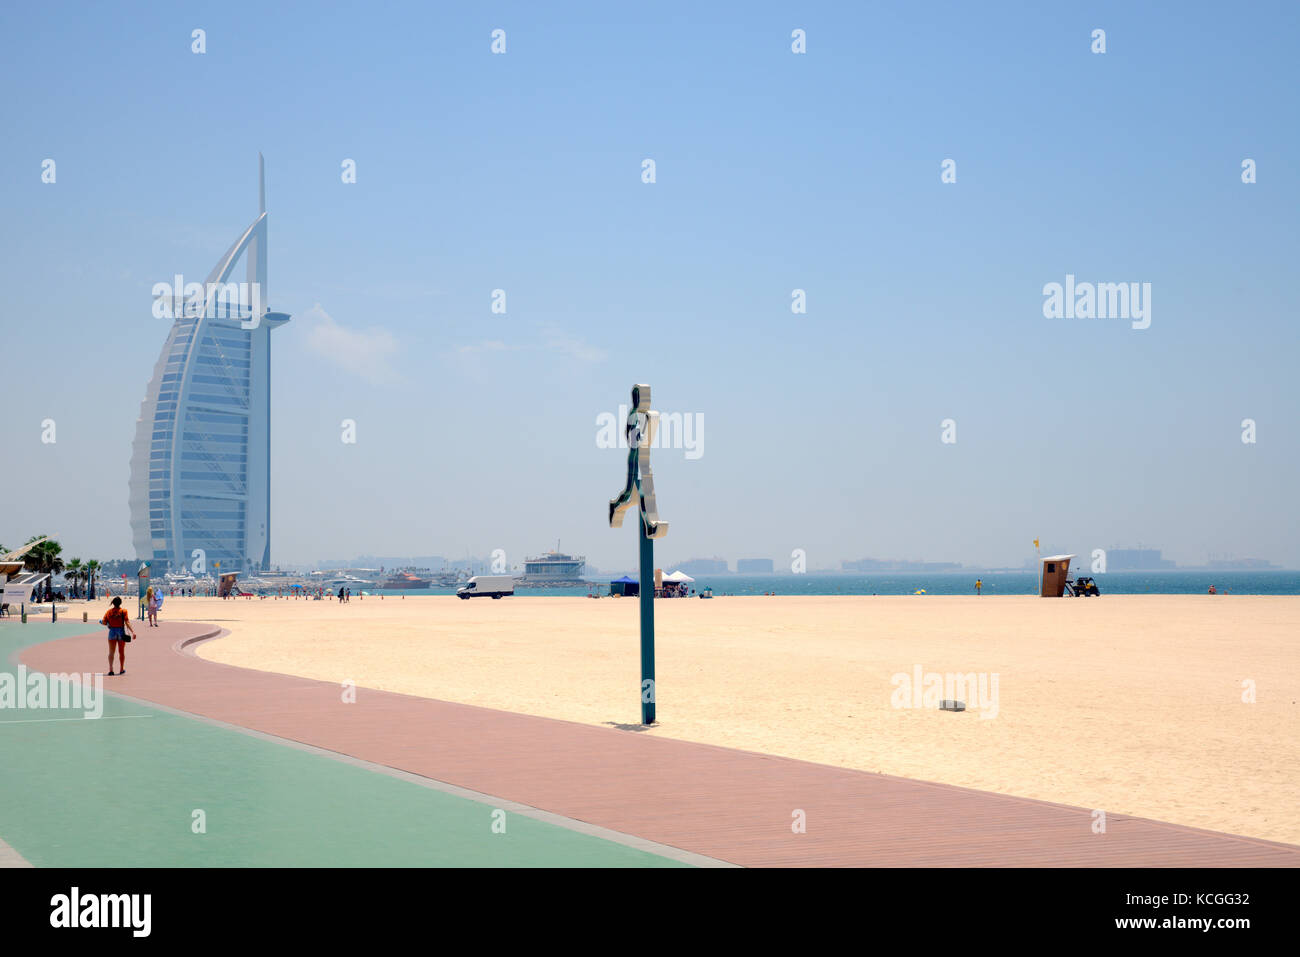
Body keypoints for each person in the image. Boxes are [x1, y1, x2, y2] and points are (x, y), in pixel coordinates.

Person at [101, 596, 137, 676]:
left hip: (112, 632)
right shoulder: (123, 611)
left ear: (113, 603)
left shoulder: (109, 612)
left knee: (111, 652)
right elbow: (127, 622)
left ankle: (111, 669)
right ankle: (121, 669)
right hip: (121, 632)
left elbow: (104, 622)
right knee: (121, 652)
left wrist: (107, 623)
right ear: (120, 603)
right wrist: (133, 632)